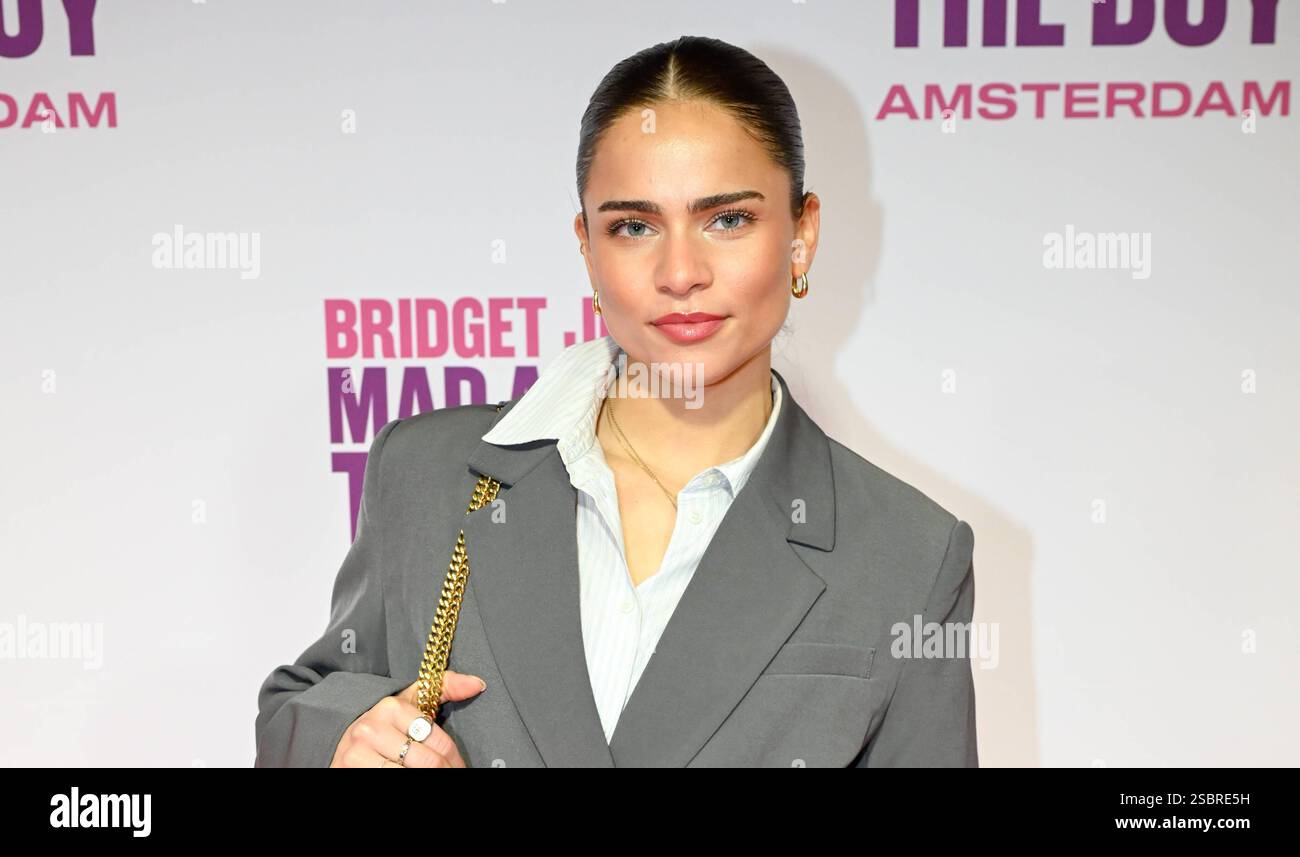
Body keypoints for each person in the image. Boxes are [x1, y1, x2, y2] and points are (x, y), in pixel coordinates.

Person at [255, 35, 977, 768]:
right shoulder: (428, 473)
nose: (681, 271)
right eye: (634, 226)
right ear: (588, 246)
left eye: (726, 218)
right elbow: (302, 703)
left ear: (802, 235)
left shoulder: (908, 554)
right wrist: (347, 738)